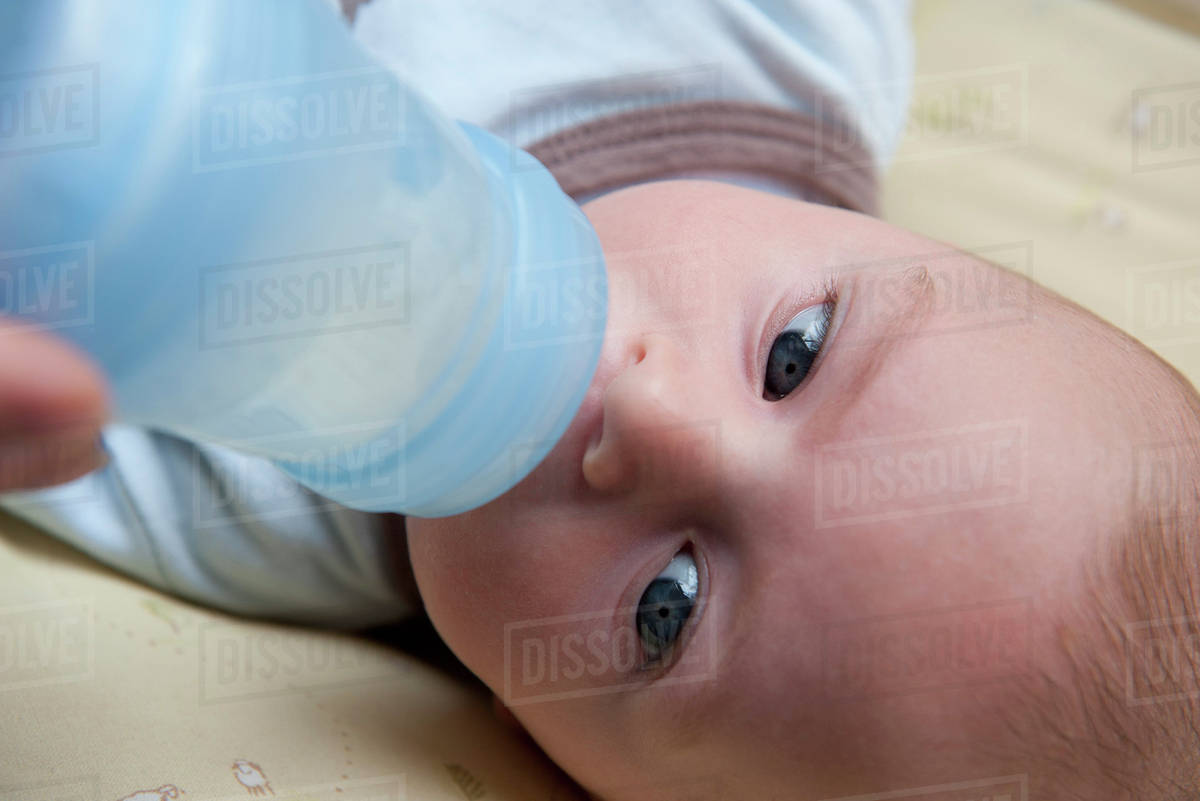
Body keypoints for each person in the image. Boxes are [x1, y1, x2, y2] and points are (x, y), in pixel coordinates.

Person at [5, 2, 1200, 799]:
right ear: (909, 241)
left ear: (547, 748)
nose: (653, 420)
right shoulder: (780, 36)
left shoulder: (250, 496)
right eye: (795, 355)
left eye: (665, 611)